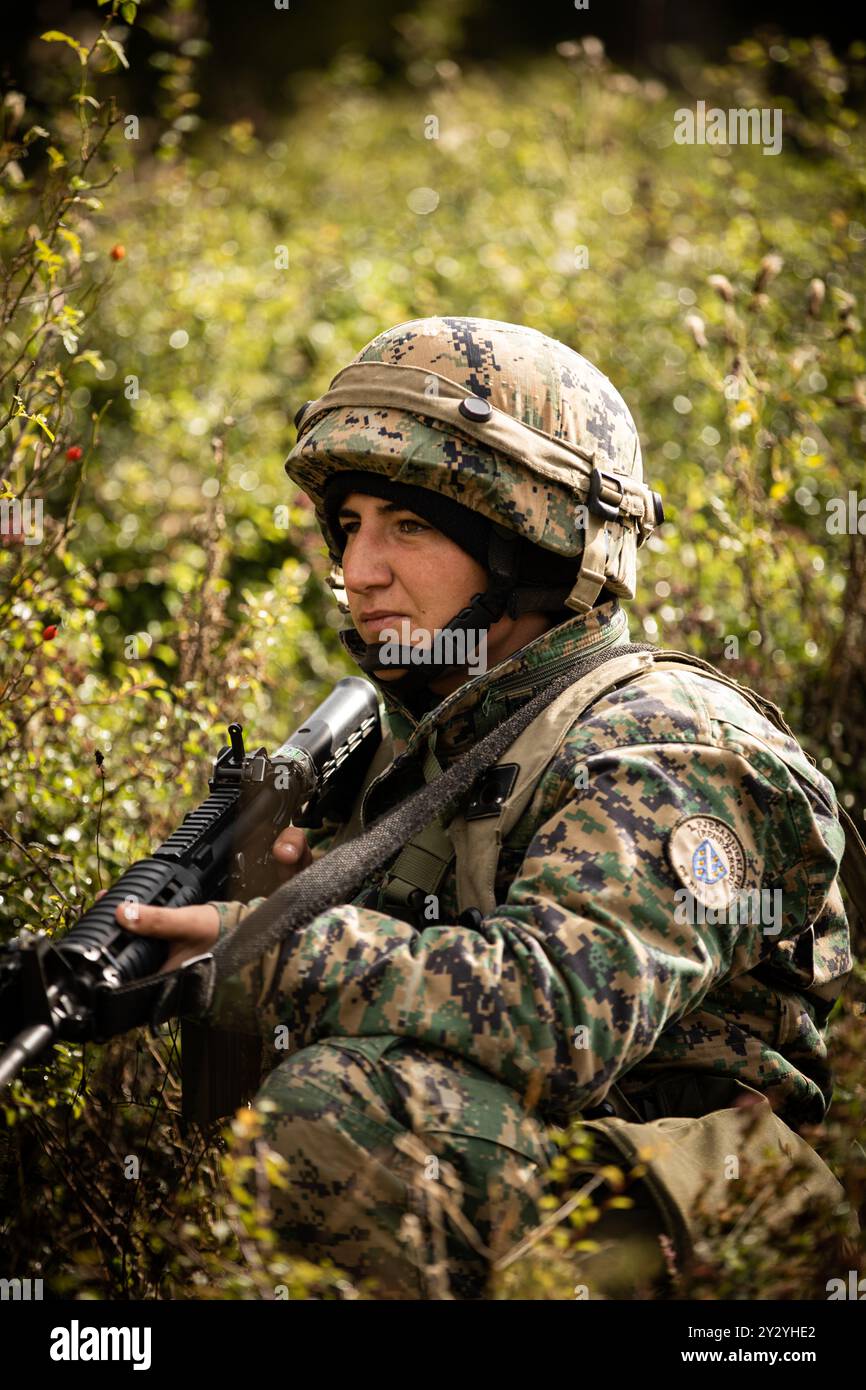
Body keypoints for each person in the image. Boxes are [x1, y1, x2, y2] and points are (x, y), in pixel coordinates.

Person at [113, 316, 859, 1300]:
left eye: (408, 526)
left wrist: (277, 945)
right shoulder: (433, 741)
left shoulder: (659, 744)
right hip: (526, 1165)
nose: (360, 569)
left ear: (528, 541)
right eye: (349, 528)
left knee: (334, 1111)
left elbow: (553, 1014)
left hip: (691, 1220)